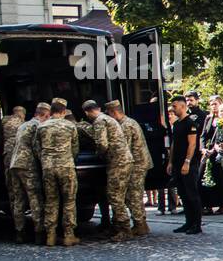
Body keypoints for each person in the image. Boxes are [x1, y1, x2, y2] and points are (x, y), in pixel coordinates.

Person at [81, 99, 134, 241]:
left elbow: (102, 144)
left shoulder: (99, 121)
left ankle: (124, 229)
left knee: (114, 196)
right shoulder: (108, 118)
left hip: (117, 162)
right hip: (123, 160)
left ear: (87, 112)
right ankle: (116, 228)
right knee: (118, 195)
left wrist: (97, 155)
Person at [34, 99, 80, 247]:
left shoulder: (41, 127)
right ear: (63, 111)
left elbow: (36, 148)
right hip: (66, 166)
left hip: (48, 168)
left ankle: (51, 236)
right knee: (69, 201)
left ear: (51, 111)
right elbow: (75, 149)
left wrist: (45, 159)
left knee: (51, 201)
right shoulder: (69, 126)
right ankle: (68, 235)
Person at [108, 100, 152, 238]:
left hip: (137, 164)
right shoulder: (129, 122)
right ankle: (141, 224)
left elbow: (123, 148)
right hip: (139, 163)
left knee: (134, 195)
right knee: (135, 194)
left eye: (109, 114)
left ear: (114, 112)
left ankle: (140, 225)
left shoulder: (125, 125)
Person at [8, 103, 49, 244]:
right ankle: (39, 233)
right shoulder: (36, 126)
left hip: (14, 164)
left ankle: (19, 232)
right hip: (27, 165)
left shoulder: (23, 125)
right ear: (45, 115)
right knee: (34, 198)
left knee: (18, 199)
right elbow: (37, 148)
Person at [166, 95, 202, 234]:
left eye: (175, 106)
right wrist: (170, 161)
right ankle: (188, 222)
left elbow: (192, 144)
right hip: (177, 163)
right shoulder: (177, 124)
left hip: (188, 164)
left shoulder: (190, 123)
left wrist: (187, 162)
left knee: (192, 194)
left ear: (182, 106)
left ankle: (197, 224)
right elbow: (174, 143)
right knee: (183, 194)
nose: (173, 109)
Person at [1, 106, 25, 176]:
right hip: (18, 149)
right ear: (21, 114)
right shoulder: (23, 122)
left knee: (8, 170)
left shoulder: (5, 120)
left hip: (7, 148)